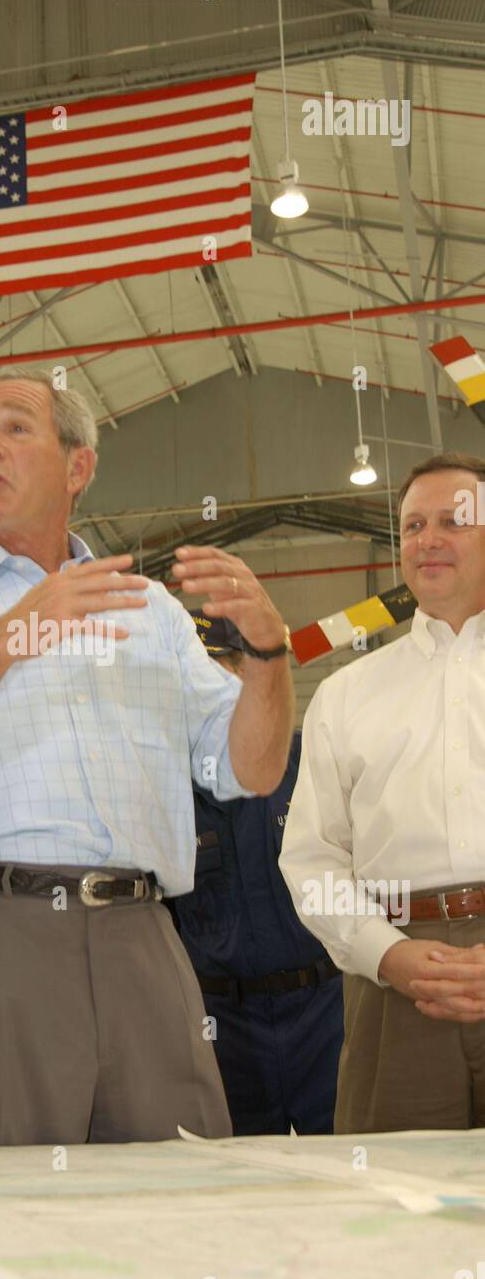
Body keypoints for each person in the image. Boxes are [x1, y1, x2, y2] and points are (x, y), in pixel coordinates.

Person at [0, 366, 294, 1149]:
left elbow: (249, 771)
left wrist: (269, 659)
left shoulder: (152, 612)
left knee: (181, 1193)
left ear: (78, 467)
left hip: (142, 937)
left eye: (12, 428)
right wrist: (11, 635)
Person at [280, 452, 485, 1132]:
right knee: (398, 1206)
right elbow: (311, 860)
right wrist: (384, 952)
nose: (427, 539)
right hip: (394, 976)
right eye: (412, 526)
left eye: (454, 521)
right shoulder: (343, 695)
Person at [170, 613, 343, 1135]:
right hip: (222, 1026)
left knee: (355, 1168)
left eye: (221, 669)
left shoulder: (310, 762)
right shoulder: (165, 788)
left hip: (325, 1014)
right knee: (240, 1184)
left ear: (254, 674)